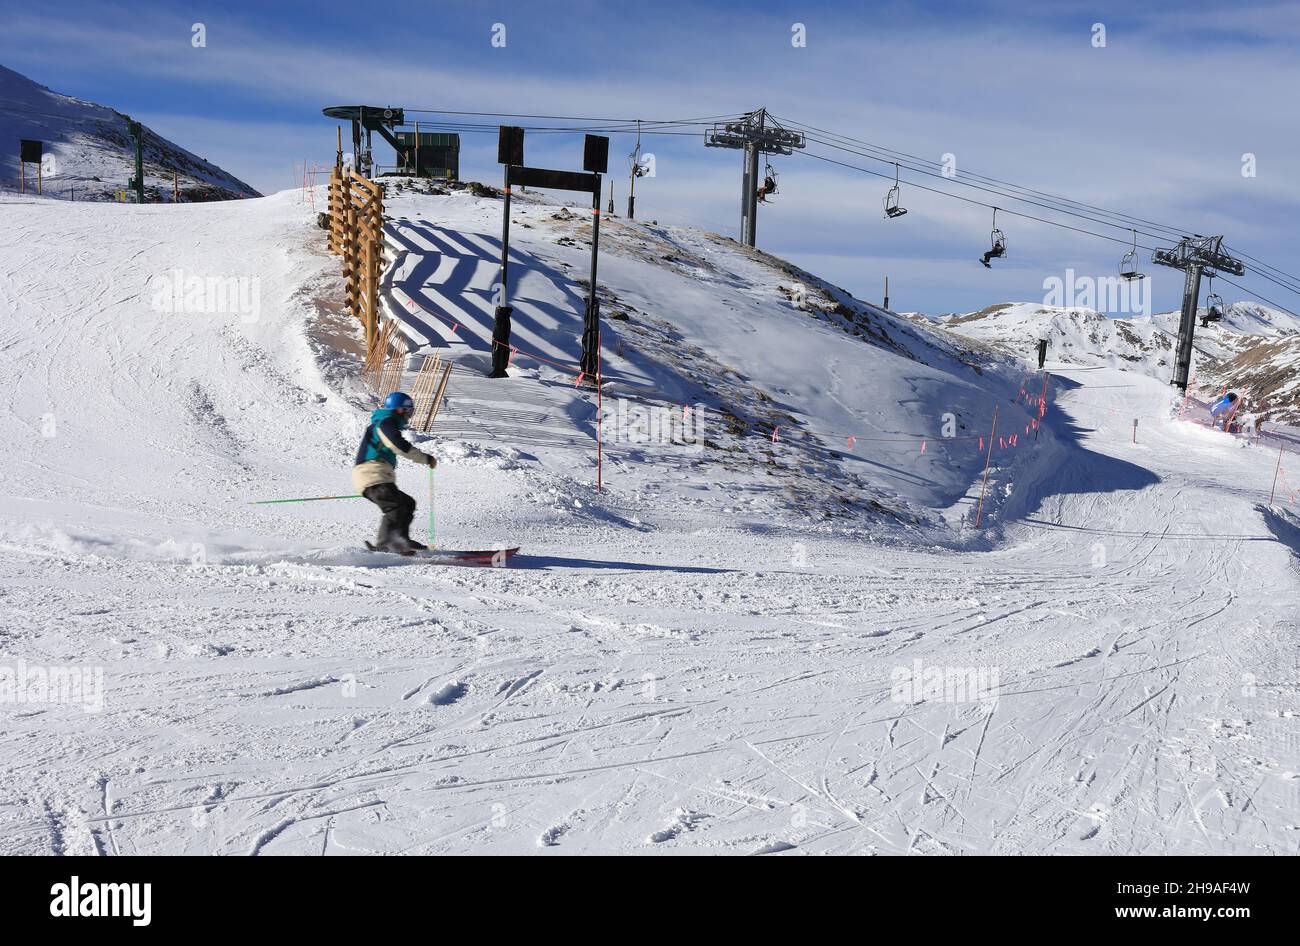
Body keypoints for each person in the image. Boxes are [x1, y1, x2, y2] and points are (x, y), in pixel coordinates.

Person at [353, 391, 437, 553]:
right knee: (394, 507)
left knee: (407, 503)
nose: (408, 417)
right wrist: (424, 458)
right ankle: (385, 545)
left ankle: (401, 540)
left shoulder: (385, 422)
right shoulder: (385, 422)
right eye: (408, 412)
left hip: (376, 475)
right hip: (371, 475)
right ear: (399, 410)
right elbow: (397, 444)